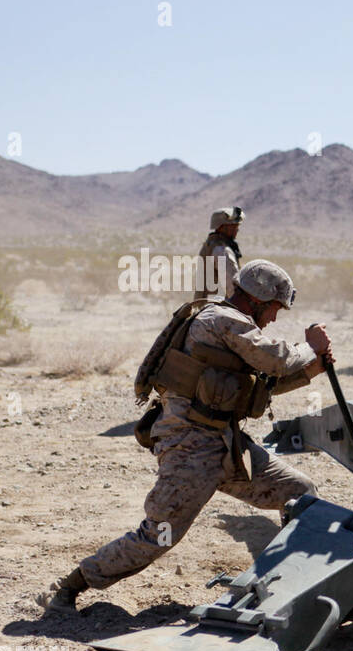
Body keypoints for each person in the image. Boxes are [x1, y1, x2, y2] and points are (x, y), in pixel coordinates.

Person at [40, 260, 333, 613]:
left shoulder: (233, 327)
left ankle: (289, 587)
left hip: (226, 446)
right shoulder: (221, 320)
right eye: (274, 309)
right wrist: (310, 347)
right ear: (257, 299)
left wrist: (313, 370)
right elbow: (277, 361)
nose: (273, 318)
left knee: (300, 495)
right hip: (190, 450)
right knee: (158, 536)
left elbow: (255, 388)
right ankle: (70, 587)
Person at [198, 206, 244, 298]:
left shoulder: (209, 244)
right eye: (233, 226)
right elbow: (233, 287)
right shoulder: (222, 251)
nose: (237, 229)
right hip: (218, 309)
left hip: (205, 306)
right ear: (221, 227)